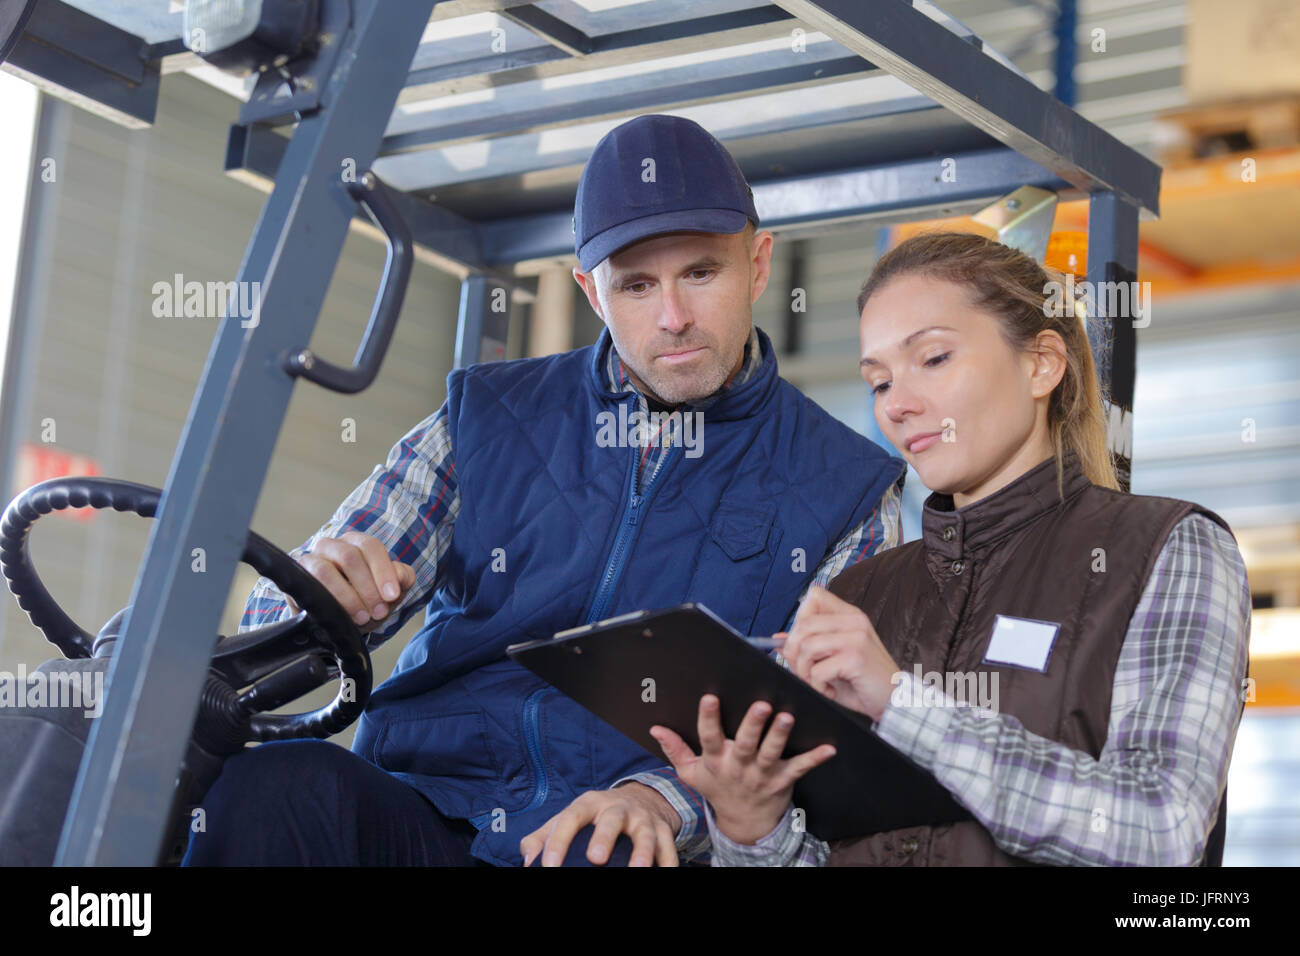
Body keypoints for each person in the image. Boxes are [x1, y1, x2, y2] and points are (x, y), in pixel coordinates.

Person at [181, 114, 907, 867]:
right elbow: (265, 638)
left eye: (700, 272)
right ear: (591, 291)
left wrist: (661, 798)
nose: (673, 317)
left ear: (758, 265)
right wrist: (318, 596)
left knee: (614, 850)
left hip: (612, 834)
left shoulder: (845, 489)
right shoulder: (487, 417)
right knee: (272, 789)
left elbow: (809, 734)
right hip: (426, 806)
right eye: (636, 284)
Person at [651, 231, 1252, 866]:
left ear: (1042, 363)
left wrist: (900, 702)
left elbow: (1160, 831)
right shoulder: (857, 596)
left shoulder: (1170, 549)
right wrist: (752, 828)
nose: (899, 405)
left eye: (933, 358)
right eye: (879, 382)